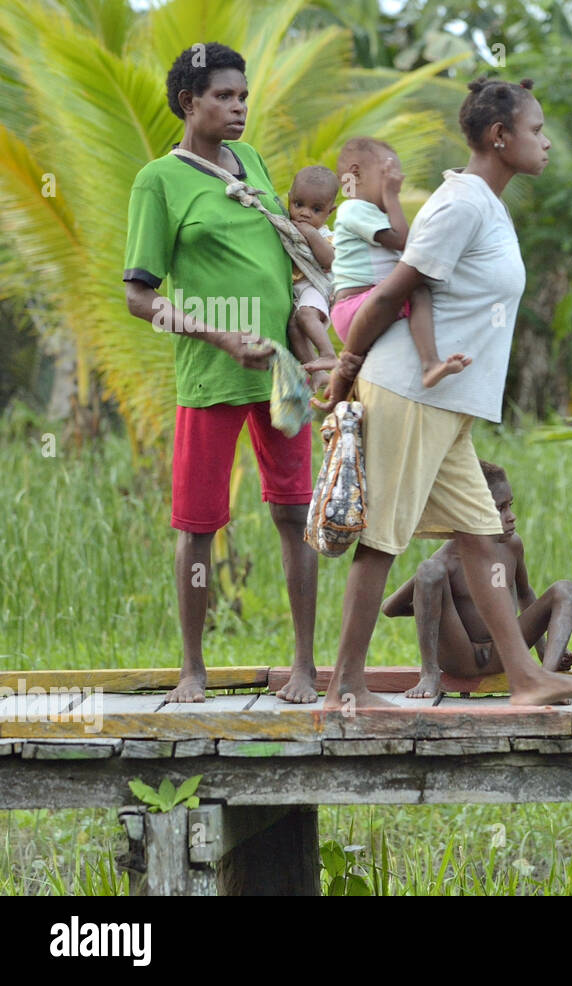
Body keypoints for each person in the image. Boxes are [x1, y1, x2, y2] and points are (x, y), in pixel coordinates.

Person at [318, 77, 572, 708]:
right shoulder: (461, 203)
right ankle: (346, 690)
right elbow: (393, 291)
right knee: (382, 538)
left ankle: (524, 679)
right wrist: (344, 370)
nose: (546, 142)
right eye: (536, 130)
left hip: (447, 405)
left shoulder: (488, 205)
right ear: (500, 137)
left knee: (480, 536)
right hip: (408, 392)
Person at [123, 42, 326, 704]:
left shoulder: (255, 163)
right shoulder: (160, 180)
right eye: (224, 97)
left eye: (243, 96)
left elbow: (285, 265)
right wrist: (220, 336)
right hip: (211, 380)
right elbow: (140, 297)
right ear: (190, 103)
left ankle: (304, 664)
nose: (240, 107)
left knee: (297, 516)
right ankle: (193, 668)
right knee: (200, 525)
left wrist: (307, 340)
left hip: (283, 379)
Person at [381, 460, 572, 698]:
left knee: (565, 590)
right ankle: (429, 673)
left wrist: (543, 648)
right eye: (500, 509)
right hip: (460, 656)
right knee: (429, 570)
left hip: (506, 651)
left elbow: (525, 595)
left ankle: (545, 680)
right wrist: (433, 610)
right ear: (473, 510)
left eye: (510, 506)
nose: (511, 517)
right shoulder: (449, 556)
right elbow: (390, 608)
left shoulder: (512, 546)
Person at [330, 137, 465, 389]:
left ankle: (338, 396)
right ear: (356, 174)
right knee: (416, 289)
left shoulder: (371, 215)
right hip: (355, 308)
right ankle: (430, 363)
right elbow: (404, 240)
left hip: (367, 304)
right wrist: (391, 196)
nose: (396, 182)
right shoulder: (353, 209)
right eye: (388, 172)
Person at [284, 164, 339, 393]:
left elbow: (329, 261)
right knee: (293, 328)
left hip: (316, 287)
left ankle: (328, 354)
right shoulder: (287, 229)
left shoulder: (326, 236)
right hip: (297, 291)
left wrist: (311, 234)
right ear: (289, 200)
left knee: (306, 315)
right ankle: (317, 372)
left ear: (329, 212)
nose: (305, 213)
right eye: (298, 204)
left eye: (316, 210)